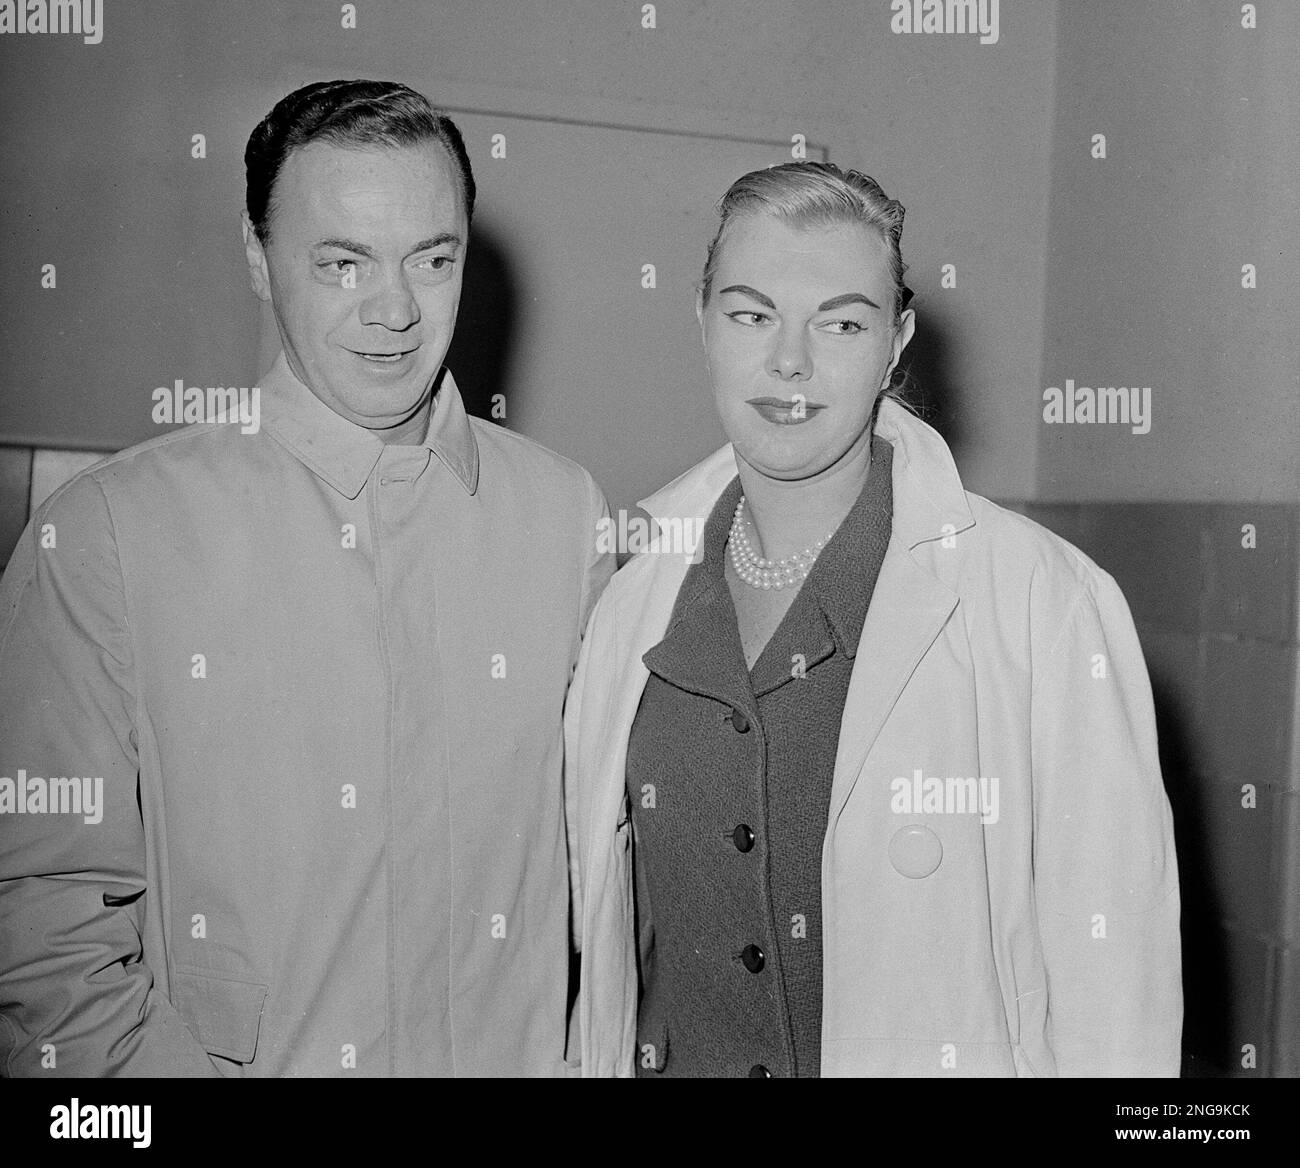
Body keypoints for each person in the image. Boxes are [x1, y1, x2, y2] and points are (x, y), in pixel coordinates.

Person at [0, 79, 614, 1076]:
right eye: (342, 262)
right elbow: (40, 927)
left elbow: (609, 874)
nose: (394, 310)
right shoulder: (110, 534)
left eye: (432, 258)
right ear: (257, 258)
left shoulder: (566, 513)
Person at [565, 161, 1181, 1077]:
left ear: (897, 341)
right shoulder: (632, 601)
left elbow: (1114, 1001)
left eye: (842, 323)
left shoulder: (1042, 604)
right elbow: (616, 961)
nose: (791, 363)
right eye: (751, 313)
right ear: (701, 321)